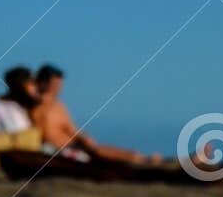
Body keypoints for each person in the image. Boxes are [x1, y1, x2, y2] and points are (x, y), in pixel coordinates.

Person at [31, 64, 162, 165]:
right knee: (95, 151)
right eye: (55, 85)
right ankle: (139, 159)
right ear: (44, 83)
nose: (59, 89)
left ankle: (137, 157)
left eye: (59, 85)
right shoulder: (34, 105)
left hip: (72, 144)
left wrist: (83, 138)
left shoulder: (58, 106)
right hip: (58, 148)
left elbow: (71, 129)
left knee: (95, 148)